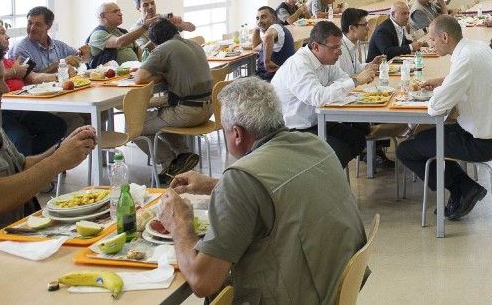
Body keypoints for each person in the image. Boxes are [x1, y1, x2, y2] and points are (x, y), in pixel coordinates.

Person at [155, 77, 367, 302]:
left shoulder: (241, 178)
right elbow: (280, 192)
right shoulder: (316, 145)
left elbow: (202, 282)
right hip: (326, 289)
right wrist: (213, 185)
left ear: (237, 134)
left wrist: (179, 223)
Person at [0, 39, 96, 252]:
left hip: (11, 238)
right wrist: (57, 162)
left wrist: (63, 149)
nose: (5, 87)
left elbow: (21, 166)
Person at [396, 16, 492, 221]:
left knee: (406, 150)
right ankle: (462, 189)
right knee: (422, 140)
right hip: (484, 129)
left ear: (444, 37)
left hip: (479, 141)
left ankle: (464, 188)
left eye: (432, 39)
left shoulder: (465, 59)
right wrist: (441, 82)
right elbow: (463, 80)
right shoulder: (477, 48)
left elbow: (436, 108)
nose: (430, 44)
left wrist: (433, 94)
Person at [271, 21, 376, 168]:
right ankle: (323, 176)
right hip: (294, 129)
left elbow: (343, 78)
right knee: (337, 152)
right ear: (315, 46)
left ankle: (330, 173)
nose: (339, 52)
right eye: (335, 48)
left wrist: (348, 84)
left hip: (318, 120)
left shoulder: (326, 60)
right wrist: (355, 82)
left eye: (340, 47)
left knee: (357, 137)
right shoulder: (299, 64)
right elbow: (318, 97)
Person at [133, 18, 213, 183]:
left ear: (155, 42)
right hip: (208, 109)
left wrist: (159, 74)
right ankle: (184, 154)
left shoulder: (164, 48)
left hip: (187, 112)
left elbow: (140, 78)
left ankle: (169, 162)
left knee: (134, 128)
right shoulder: (195, 45)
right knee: (160, 114)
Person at [0, 20, 66, 156]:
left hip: (21, 110)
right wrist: (13, 72)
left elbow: (35, 78)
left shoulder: (8, 61)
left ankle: (27, 164)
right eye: (2, 33)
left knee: (57, 126)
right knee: (20, 138)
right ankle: (22, 169)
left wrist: (63, 75)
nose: (8, 37)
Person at [7, 6, 88, 73]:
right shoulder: (21, 49)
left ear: (48, 26)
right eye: (30, 23)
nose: (32, 28)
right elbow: (30, 79)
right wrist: (60, 64)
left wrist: (84, 53)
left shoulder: (59, 45)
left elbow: (79, 57)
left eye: (37, 24)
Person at [132, 0, 196, 57]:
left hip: (176, 53)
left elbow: (192, 28)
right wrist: (157, 35)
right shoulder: (136, 29)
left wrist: (181, 24)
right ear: (138, 8)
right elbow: (142, 52)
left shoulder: (164, 17)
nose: (150, 7)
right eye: (145, 5)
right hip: (158, 59)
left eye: (152, 3)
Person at [87, 2, 150, 67]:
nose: (120, 14)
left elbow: (139, 51)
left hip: (133, 72)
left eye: (120, 11)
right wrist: (144, 27)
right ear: (103, 16)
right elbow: (119, 42)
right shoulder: (98, 34)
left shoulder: (123, 32)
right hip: (112, 76)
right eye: (115, 11)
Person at [336, 8, 384, 77]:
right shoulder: (338, 50)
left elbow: (356, 68)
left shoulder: (353, 44)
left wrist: (371, 64)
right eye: (364, 25)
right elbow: (340, 81)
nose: (368, 29)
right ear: (352, 28)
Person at [252, 6, 294, 81]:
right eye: (257, 18)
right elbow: (255, 47)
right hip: (272, 78)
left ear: (274, 19)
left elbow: (268, 35)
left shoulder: (276, 27)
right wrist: (257, 27)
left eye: (264, 17)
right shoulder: (277, 33)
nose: (260, 20)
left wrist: (267, 61)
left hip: (271, 80)